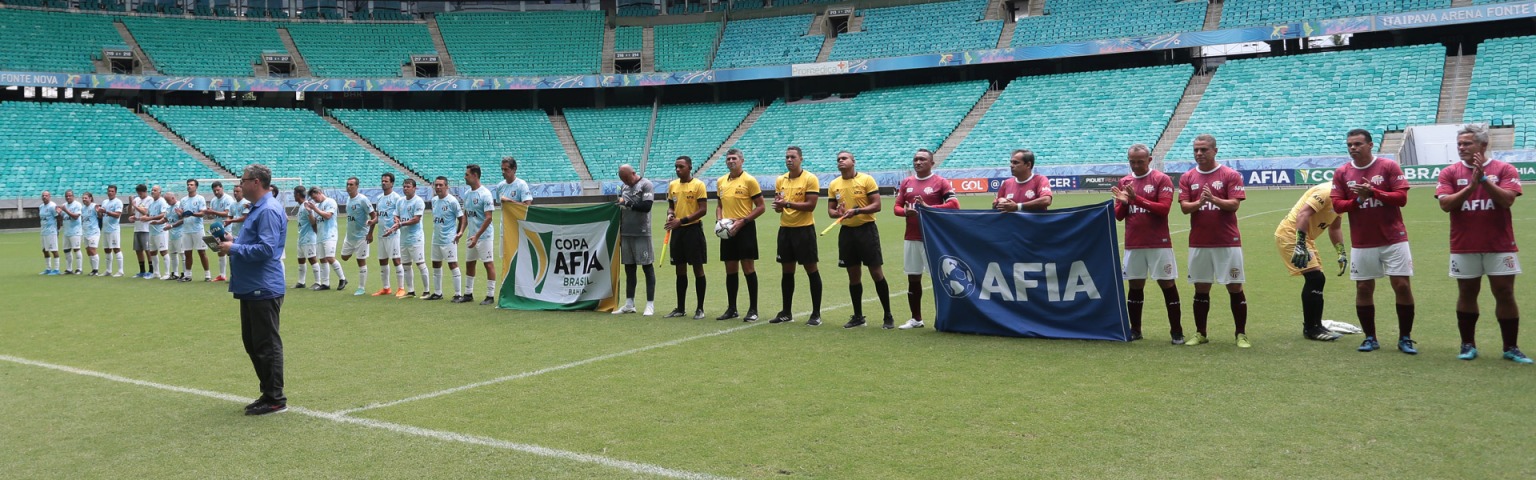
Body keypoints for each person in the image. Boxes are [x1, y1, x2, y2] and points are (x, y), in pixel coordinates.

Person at [1436, 124, 1528, 364]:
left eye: (1467, 143)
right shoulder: (1450, 172)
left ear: (1483, 145)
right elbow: (1446, 205)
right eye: (1459, 144)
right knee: (1467, 292)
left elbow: (1507, 201)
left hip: (1500, 245)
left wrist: (1484, 180)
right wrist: (1471, 186)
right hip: (1464, 245)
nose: (1461, 147)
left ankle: (1511, 347)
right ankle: (1468, 344)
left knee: (1505, 293)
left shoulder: (1504, 169)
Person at [1332, 129, 1418, 353]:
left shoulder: (1388, 166)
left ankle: (1405, 338)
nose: (1353, 148)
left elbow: (1402, 198)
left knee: (1402, 285)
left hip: (1394, 239)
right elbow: (1337, 205)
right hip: (1362, 241)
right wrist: (1359, 200)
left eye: (1358, 144)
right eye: (1349, 144)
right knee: (1363, 288)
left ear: (1371, 145)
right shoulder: (1342, 172)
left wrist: (1375, 193)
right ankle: (1370, 338)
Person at [218, 164, 289, 416]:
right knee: (253, 343)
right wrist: (234, 241)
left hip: (263, 286)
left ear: (256, 182)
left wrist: (234, 249)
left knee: (266, 344)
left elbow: (267, 249)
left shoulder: (267, 210)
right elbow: (255, 242)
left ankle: (276, 398)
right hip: (251, 286)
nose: (240, 184)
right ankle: (268, 393)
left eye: (243, 180)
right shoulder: (258, 208)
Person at [1178, 134, 1249, 348]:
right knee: (1201, 288)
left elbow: (1234, 205)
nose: (1199, 153)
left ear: (1215, 151)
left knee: (1234, 286)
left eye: (1204, 149)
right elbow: (1184, 207)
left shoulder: (1230, 174)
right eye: (1196, 150)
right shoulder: (1188, 177)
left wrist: (1213, 199)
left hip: (1227, 241)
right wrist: (1200, 203)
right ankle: (1201, 333)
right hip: (1199, 242)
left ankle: (1241, 334)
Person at [1110, 144, 1183, 343]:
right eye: (1132, 162)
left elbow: (1163, 209)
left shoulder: (1161, 179)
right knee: (1135, 285)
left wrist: (1136, 199)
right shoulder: (1125, 181)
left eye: (1140, 162)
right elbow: (1118, 216)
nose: (1135, 165)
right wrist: (1124, 203)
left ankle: (1176, 331)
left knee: (1167, 284)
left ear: (1149, 160)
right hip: (1133, 243)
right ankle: (1135, 330)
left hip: (1159, 243)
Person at [891, 148, 958, 330]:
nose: (918, 162)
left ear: (932, 163)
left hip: (933, 238)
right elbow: (896, 207)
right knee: (913, 278)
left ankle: (946, 317)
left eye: (922, 159)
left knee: (940, 278)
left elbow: (954, 205)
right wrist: (905, 211)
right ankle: (916, 319)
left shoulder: (940, 182)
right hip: (911, 236)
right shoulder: (907, 182)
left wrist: (928, 207)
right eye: (916, 159)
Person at [827, 151, 893, 329]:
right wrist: (838, 213)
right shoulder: (834, 184)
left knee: (876, 273)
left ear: (853, 161)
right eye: (838, 159)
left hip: (866, 230)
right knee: (853, 275)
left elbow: (877, 205)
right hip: (847, 233)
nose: (840, 161)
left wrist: (857, 211)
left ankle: (888, 315)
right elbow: (831, 210)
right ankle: (858, 316)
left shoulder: (866, 180)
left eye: (844, 158)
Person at [1276, 182, 1345, 342]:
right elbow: (1303, 214)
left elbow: (1335, 228)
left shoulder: (1343, 199)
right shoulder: (1326, 192)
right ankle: (1310, 328)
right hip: (1292, 234)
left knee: (1318, 279)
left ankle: (1316, 325)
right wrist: (1300, 245)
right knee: (1315, 278)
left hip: (1307, 238)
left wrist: (1341, 252)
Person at [770, 146, 823, 326]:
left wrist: (787, 204)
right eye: (787, 157)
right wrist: (779, 207)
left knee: (811, 269)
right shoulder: (781, 180)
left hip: (804, 230)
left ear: (801, 159)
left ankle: (816, 313)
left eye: (793, 157)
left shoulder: (810, 178)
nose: (789, 160)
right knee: (787, 271)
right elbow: (780, 207)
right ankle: (786, 312)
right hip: (785, 230)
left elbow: (810, 205)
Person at [715, 149, 766, 322]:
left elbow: (761, 207)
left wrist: (742, 222)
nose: (731, 161)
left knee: (748, 268)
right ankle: (732, 309)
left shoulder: (749, 180)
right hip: (727, 230)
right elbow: (719, 205)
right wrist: (719, 220)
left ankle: (753, 309)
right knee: (730, 269)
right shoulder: (721, 181)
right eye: (728, 158)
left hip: (745, 229)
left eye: (734, 158)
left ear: (741, 161)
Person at [664, 156, 709, 319]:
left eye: (681, 167)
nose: (678, 169)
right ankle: (680, 308)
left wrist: (681, 221)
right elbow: (671, 207)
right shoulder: (673, 185)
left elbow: (703, 210)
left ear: (690, 167)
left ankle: (700, 308)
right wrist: (670, 215)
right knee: (680, 269)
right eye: (676, 167)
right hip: (677, 232)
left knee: (697, 268)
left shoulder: (698, 185)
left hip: (693, 230)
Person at [614, 164, 657, 316]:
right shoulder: (624, 187)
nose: (625, 182)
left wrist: (627, 203)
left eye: (626, 178)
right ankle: (629, 303)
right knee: (629, 268)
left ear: (633, 173)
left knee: (647, 267)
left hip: (642, 233)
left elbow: (646, 206)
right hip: (626, 233)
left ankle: (650, 304)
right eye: (623, 180)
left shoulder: (646, 185)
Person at [381, 178, 428, 299]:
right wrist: (396, 221)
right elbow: (396, 215)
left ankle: (426, 291)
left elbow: (416, 219)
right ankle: (411, 291)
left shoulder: (418, 201)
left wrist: (400, 224)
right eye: (404, 186)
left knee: (420, 264)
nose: (405, 189)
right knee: (406, 265)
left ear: (414, 188)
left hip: (416, 238)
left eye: (408, 187)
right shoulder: (400, 201)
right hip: (403, 238)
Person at [460, 165, 497, 305]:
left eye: (467, 174)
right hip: (471, 236)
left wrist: (477, 236)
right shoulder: (467, 194)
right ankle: (468, 293)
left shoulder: (485, 194)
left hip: (484, 236)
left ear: (475, 175)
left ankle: (490, 296)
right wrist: (461, 231)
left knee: (488, 264)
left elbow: (488, 218)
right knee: (470, 263)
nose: (465, 177)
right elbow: (466, 215)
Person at [429, 176, 466, 302]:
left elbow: (461, 218)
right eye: (436, 185)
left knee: (452, 264)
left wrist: (459, 233)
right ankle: (437, 292)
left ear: (446, 186)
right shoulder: (434, 200)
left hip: (449, 239)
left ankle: (458, 294)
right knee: (436, 264)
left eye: (441, 185)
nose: (438, 187)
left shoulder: (452, 201)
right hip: (436, 238)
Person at [340, 177, 375, 296]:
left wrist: (370, 233)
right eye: (347, 184)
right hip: (350, 236)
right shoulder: (348, 199)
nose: (348, 186)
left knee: (360, 260)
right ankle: (355, 250)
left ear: (357, 186)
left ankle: (361, 288)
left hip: (362, 236)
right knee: (344, 257)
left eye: (351, 184)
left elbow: (374, 216)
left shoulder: (363, 199)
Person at [372, 173, 405, 296]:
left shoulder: (396, 198)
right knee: (382, 261)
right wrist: (372, 221)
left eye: (386, 181)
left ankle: (401, 288)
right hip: (381, 234)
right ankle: (386, 288)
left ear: (392, 183)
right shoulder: (379, 198)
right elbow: (379, 216)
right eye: (382, 181)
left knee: (396, 260)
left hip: (393, 234)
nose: (383, 183)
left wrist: (395, 226)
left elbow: (400, 215)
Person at [307, 187, 345, 291]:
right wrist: (310, 212)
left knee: (330, 257)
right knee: (322, 259)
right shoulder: (317, 206)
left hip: (330, 234)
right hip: (320, 235)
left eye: (315, 197)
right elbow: (314, 222)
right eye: (313, 199)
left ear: (319, 193)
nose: (315, 200)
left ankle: (342, 278)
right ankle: (325, 283)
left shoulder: (330, 202)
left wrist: (315, 209)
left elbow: (328, 216)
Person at [180, 179, 212, 281]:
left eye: (191, 185)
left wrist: (192, 214)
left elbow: (202, 213)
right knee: (187, 253)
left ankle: (207, 275)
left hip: (197, 229)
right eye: (188, 184)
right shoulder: (183, 200)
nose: (189, 186)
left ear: (196, 187)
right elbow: (181, 214)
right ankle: (188, 275)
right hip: (186, 230)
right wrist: (180, 213)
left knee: (201, 252)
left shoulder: (200, 198)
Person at [207, 181, 237, 281]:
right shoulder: (213, 200)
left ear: (222, 188)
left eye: (218, 190)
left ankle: (234, 274)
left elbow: (227, 213)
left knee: (230, 251)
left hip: (227, 229)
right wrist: (209, 213)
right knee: (220, 251)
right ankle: (222, 275)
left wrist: (213, 212)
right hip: (217, 230)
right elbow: (213, 215)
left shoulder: (228, 199)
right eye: (214, 191)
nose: (216, 192)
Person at [292, 186, 318, 289]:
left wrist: (316, 233)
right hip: (301, 237)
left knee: (312, 259)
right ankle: (301, 282)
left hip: (308, 237)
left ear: (298, 195)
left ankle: (318, 282)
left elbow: (313, 222)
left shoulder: (306, 206)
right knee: (301, 260)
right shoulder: (301, 206)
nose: (294, 196)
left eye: (294, 194)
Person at [145, 186, 171, 280]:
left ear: (159, 192)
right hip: (152, 231)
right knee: (152, 252)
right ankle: (156, 272)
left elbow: (163, 214)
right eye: (152, 190)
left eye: (155, 190)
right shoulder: (151, 203)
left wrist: (150, 218)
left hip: (160, 230)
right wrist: (137, 218)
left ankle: (167, 273)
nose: (152, 191)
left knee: (163, 251)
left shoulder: (162, 201)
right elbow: (148, 215)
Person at [99, 185, 125, 277]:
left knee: (116, 248)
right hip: (105, 229)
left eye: (112, 191)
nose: (110, 192)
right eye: (109, 191)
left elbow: (117, 215)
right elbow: (102, 215)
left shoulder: (118, 202)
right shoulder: (104, 202)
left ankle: (120, 270)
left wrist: (106, 211)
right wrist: (99, 212)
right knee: (107, 249)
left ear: (115, 192)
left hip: (114, 229)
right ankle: (108, 270)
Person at [130, 184, 154, 278]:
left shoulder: (149, 200)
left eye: (141, 193)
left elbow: (145, 212)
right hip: (137, 228)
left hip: (146, 228)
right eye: (138, 193)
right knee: (138, 250)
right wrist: (131, 204)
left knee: (148, 250)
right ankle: (142, 270)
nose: (140, 195)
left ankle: (151, 270)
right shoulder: (136, 199)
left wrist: (135, 206)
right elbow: (131, 212)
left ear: (145, 191)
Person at [164, 192, 187, 281]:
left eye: (168, 200)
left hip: (180, 233)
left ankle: (185, 273)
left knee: (182, 253)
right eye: (166, 200)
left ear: (173, 198)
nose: (167, 202)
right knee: (173, 253)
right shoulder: (168, 207)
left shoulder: (179, 205)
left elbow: (183, 220)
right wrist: (159, 222)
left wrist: (180, 215)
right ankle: (175, 273)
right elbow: (166, 219)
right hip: (171, 234)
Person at [60, 189, 83, 275]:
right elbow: (64, 217)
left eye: (70, 196)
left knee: (76, 249)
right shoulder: (64, 205)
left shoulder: (77, 205)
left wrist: (65, 210)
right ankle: (69, 269)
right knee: (66, 250)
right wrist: (60, 213)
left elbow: (76, 217)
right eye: (66, 196)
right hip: (66, 231)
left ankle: (79, 269)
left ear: (73, 196)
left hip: (75, 231)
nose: (68, 197)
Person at [38, 190, 60, 275]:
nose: (44, 197)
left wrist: (57, 229)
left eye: (46, 195)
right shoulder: (41, 207)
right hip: (43, 231)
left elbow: (58, 218)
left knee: (54, 250)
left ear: (49, 196)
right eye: (43, 195)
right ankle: (48, 268)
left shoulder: (52, 206)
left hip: (51, 231)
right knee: (44, 250)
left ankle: (57, 269)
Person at [80, 192, 101, 276]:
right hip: (85, 232)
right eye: (83, 198)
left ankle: (96, 270)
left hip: (93, 232)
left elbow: (100, 216)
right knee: (88, 251)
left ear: (90, 198)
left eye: (86, 198)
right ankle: (93, 269)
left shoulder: (94, 206)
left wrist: (99, 212)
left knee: (92, 249)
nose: (84, 199)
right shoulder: (83, 208)